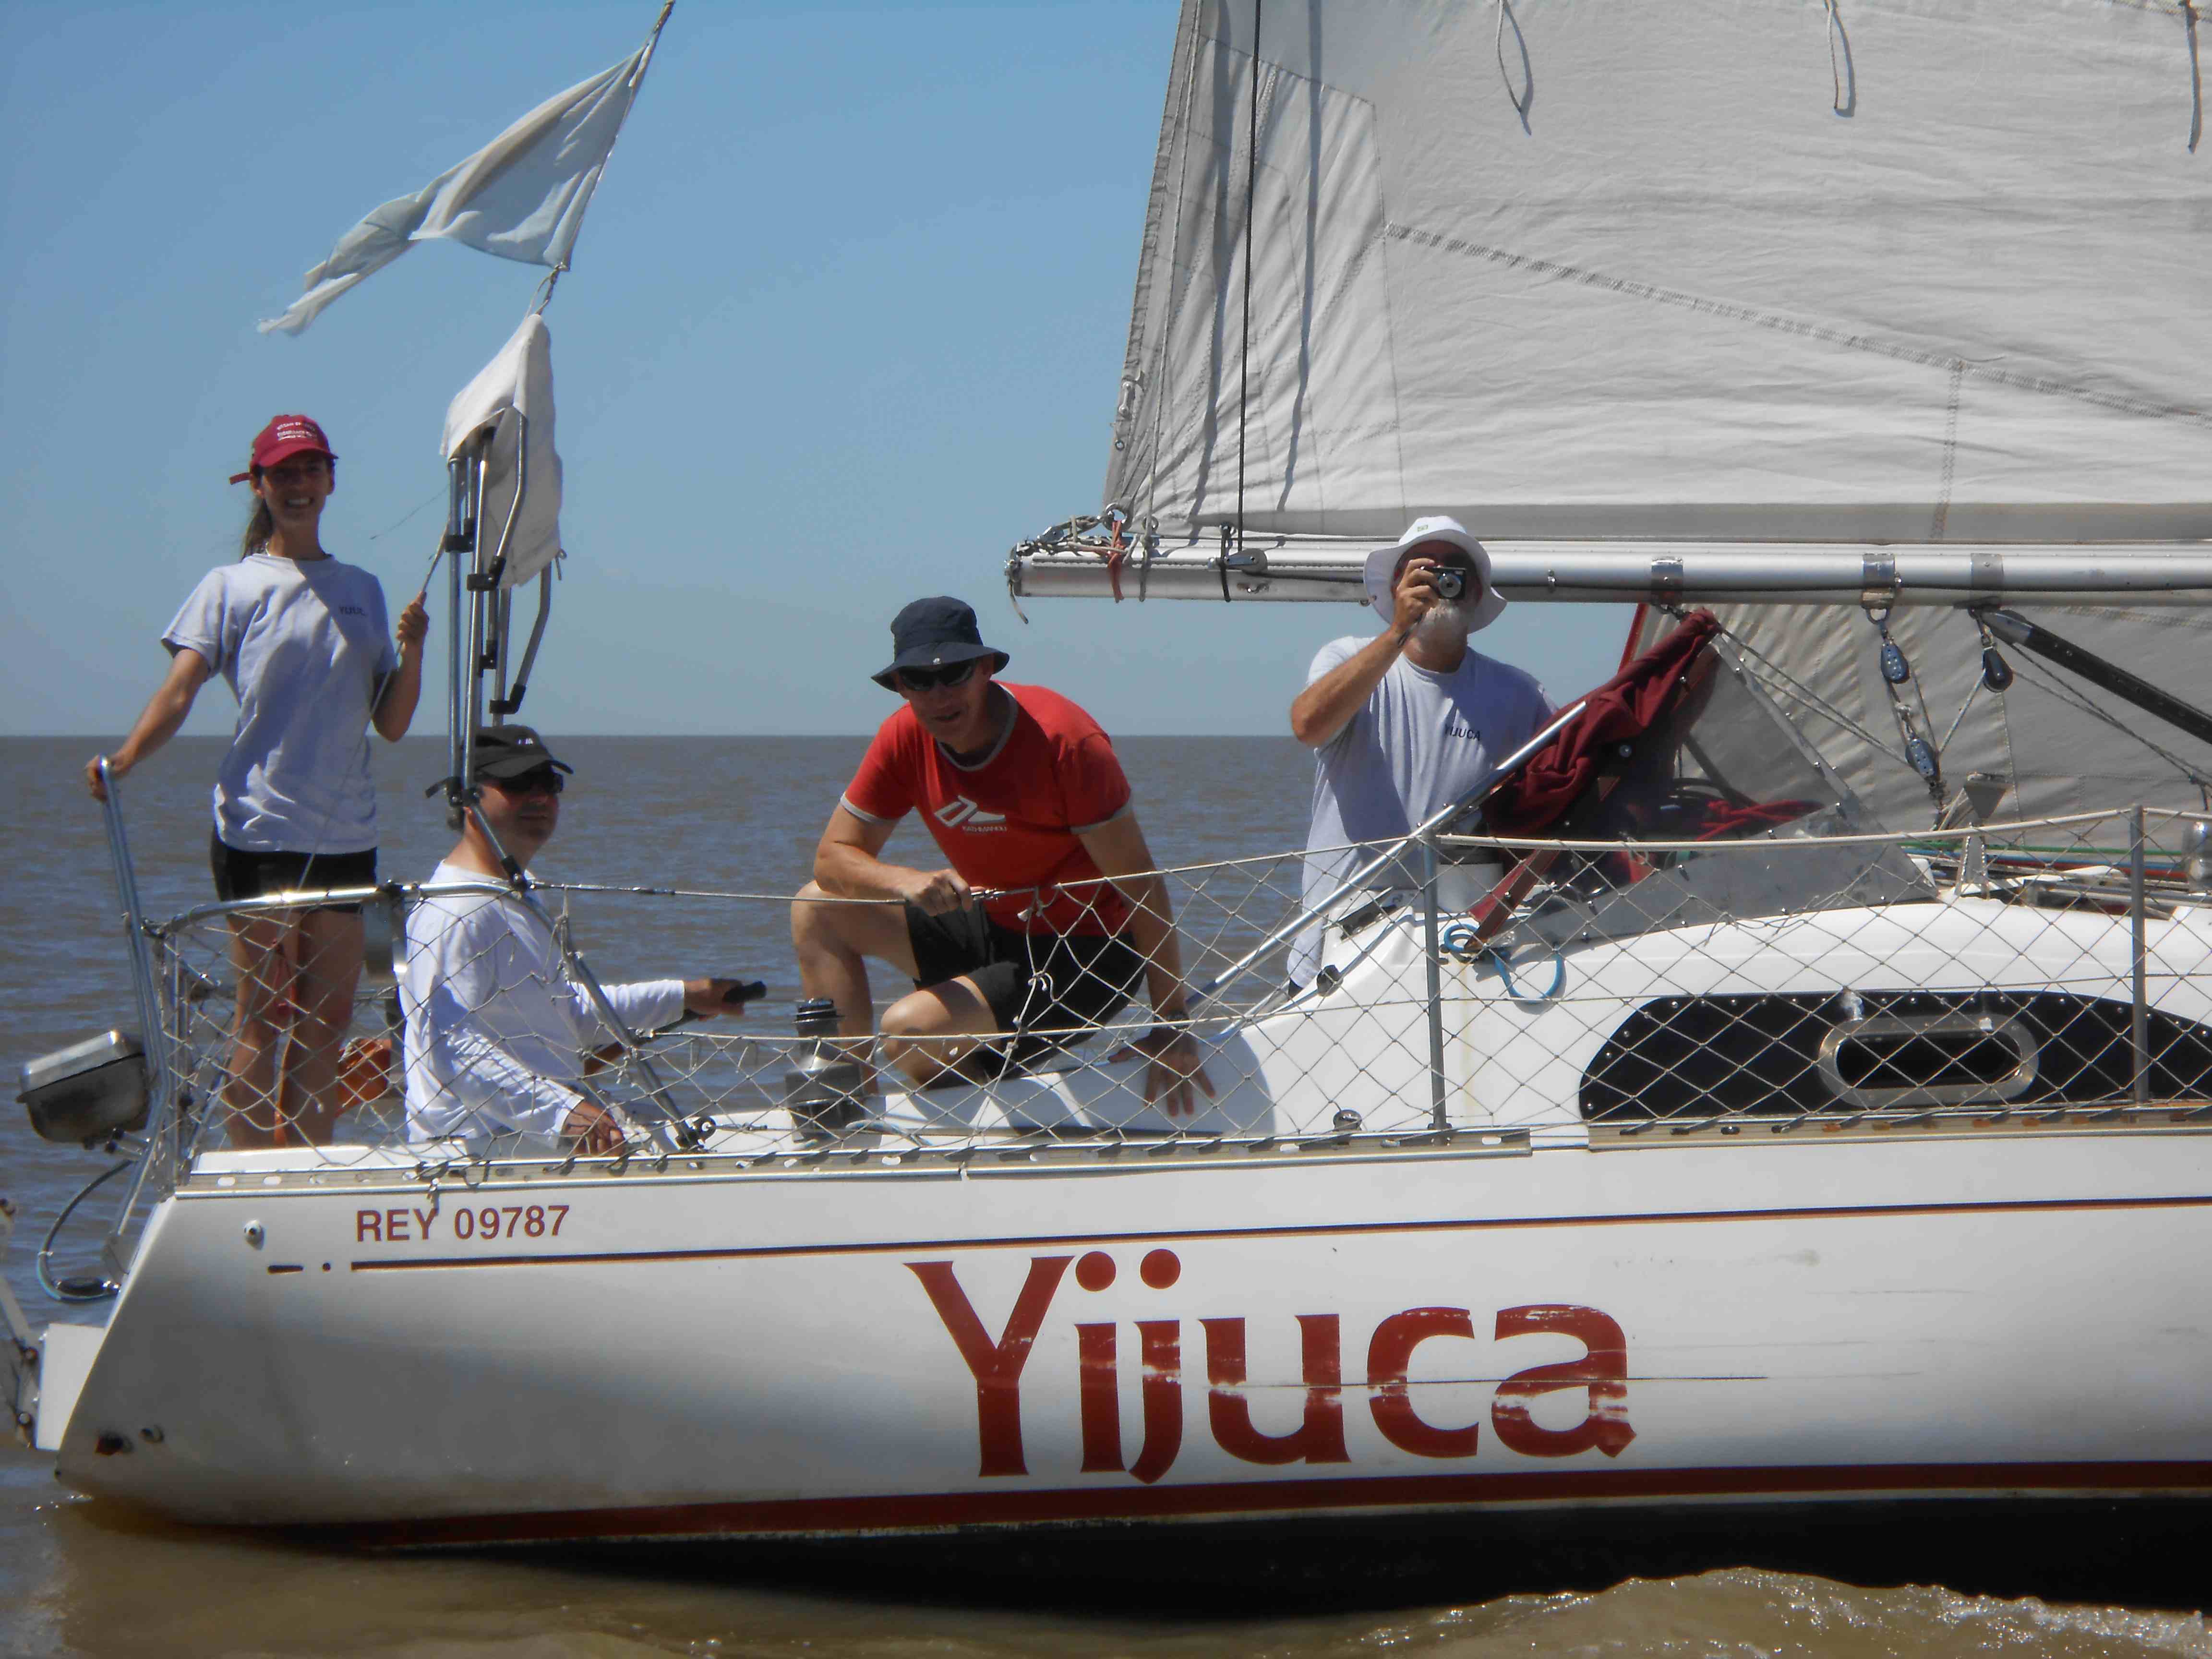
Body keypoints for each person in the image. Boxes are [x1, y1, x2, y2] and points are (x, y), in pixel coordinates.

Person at [86, 414, 429, 1147]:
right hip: (259, 830)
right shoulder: (230, 586)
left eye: (311, 470)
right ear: (260, 486)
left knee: (327, 1020)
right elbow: (181, 689)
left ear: (331, 481)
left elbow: (393, 722)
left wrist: (414, 651)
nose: (299, 486)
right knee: (265, 1015)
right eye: (284, 474)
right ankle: (249, 1171)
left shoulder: (363, 589)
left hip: (348, 836)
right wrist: (126, 758)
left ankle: (304, 1168)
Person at [791, 597, 1211, 1116]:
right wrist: (904, 881)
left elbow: (1142, 886)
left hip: (1087, 954)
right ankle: (846, 1109)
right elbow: (832, 859)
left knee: (907, 1033)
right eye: (920, 679)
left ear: (986, 668)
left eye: (954, 674)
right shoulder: (903, 737)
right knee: (816, 906)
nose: (939, 695)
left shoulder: (1065, 741)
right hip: (993, 925)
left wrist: (1171, 1025)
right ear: (900, 686)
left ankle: (994, 1114)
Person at [399, 726, 748, 1154]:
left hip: (538, 1136)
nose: (539, 797)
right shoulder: (456, 910)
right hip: (479, 1150)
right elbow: (447, 1046)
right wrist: (562, 1113)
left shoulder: (518, 893)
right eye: (517, 783)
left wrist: (684, 997)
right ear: (467, 800)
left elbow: (565, 1015)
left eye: (549, 784)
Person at [1286, 516, 1553, 983]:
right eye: (1425, 570)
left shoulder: (1520, 695)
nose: (1440, 580)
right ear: (1397, 586)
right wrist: (1398, 631)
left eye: (1454, 570)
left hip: (1455, 953)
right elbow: (1308, 726)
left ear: (1476, 592)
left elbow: (1566, 782)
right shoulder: (1346, 659)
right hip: (1338, 950)